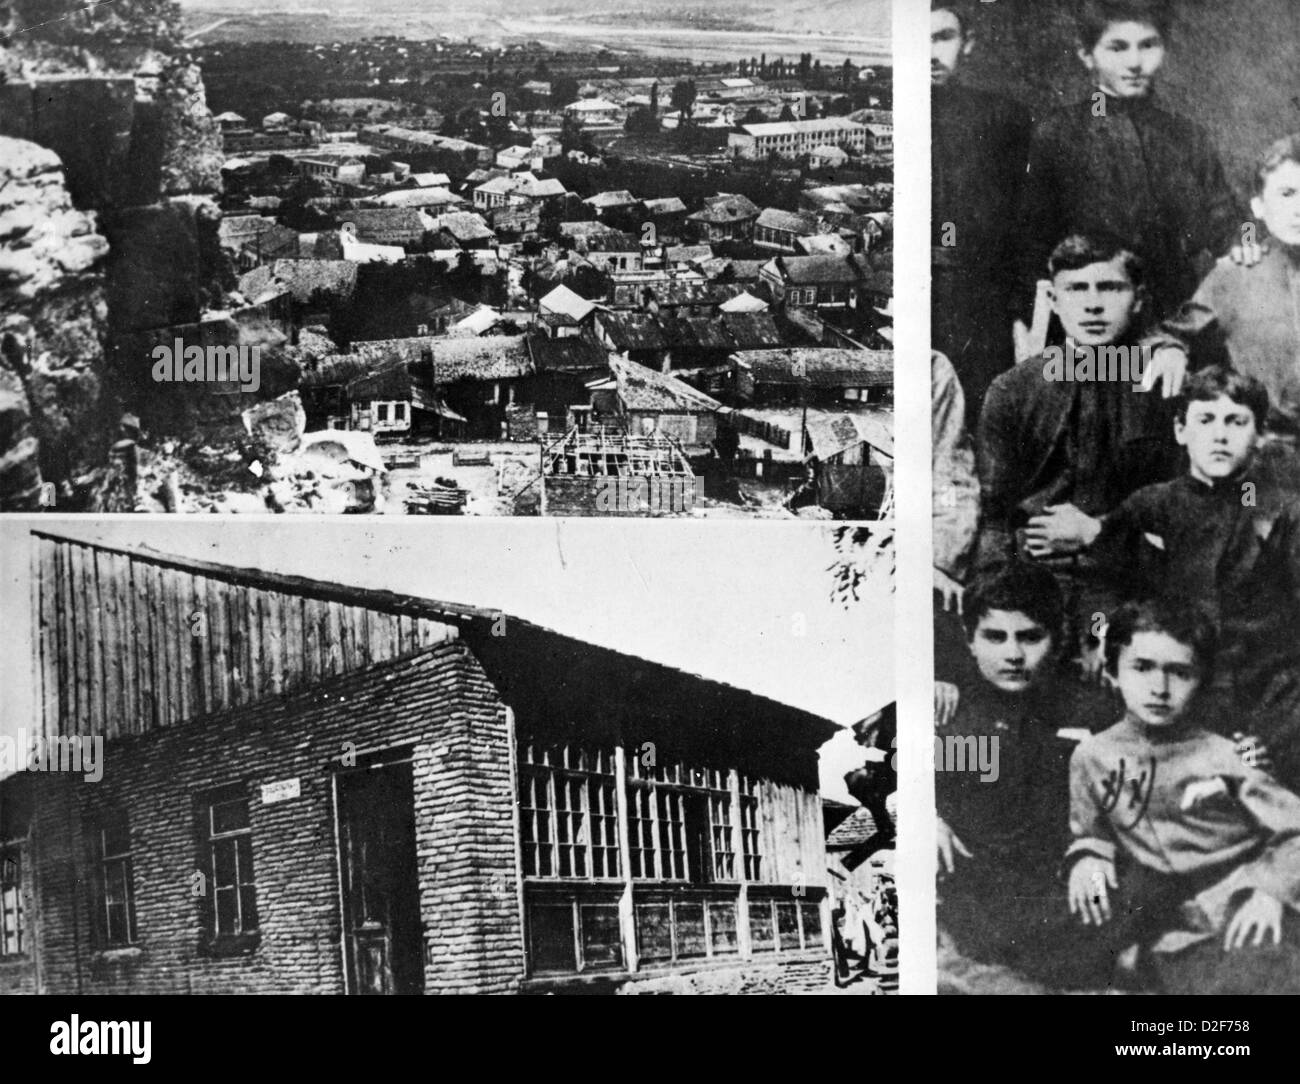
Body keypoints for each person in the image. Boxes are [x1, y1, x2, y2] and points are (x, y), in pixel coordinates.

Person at [1067, 599, 1300, 994]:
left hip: (1240, 898)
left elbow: (1295, 829)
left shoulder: (1224, 755)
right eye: (1141, 668)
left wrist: (1269, 891)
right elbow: (1091, 827)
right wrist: (1089, 856)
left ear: (1202, 681)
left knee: (1265, 973)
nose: (1159, 688)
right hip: (1167, 916)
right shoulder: (1092, 756)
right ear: (1112, 671)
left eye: (1179, 673)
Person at [1084, 367, 1300, 788]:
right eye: (1206, 420)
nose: (1220, 436)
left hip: (1261, 691)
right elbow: (1099, 578)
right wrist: (1098, 633)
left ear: (1259, 436)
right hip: (1174, 687)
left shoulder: (1278, 510)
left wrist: (1273, 739)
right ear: (1181, 430)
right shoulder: (1153, 504)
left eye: (1236, 422)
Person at [976, 234, 1180, 653]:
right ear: (1053, 298)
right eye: (1076, 289)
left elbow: (1187, 514)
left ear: (1138, 299)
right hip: (1033, 593)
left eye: (1110, 288)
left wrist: (1099, 534)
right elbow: (994, 518)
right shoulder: (1014, 390)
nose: (1092, 305)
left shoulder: (1163, 388)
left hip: (1133, 590)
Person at [1015, 0, 1245, 355]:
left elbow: (1228, 224)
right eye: (1117, 47)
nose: (1135, 62)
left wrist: (1249, 237)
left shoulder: (1187, 137)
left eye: (1148, 45)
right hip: (1086, 326)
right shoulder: (1057, 133)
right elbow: (1033, 246)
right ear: (1086, 54)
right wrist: (1033, 330)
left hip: (1171, 326)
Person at [936, 563, 1122, 988]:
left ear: (1058, 639)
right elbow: (899, 778)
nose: (1013, 654)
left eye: (1030, 637)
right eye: (995, 637)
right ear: (969, 640)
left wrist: (1098, 847)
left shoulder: (1098, 715)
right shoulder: (955, 719)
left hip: (1079, 910)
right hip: (982, 918)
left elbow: (1142, 795)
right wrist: (923, 816)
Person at [1142, 134, 1300, 447]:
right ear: (1258, 206)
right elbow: (1166, 336)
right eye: (1287, 193)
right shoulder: (1236, 273)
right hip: (1268, 455)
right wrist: (1169, 350)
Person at [931, 0, 1032, 423]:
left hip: (980, 301)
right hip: (907, 297)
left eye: (943, 38)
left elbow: (1024, 218)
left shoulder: (1003, 118)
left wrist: (1022, 312)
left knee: (984, 420)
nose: (931, 53)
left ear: (967, 44)